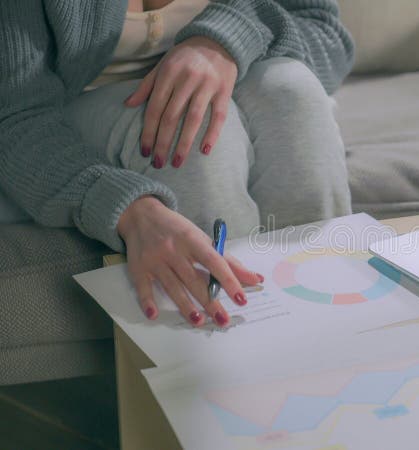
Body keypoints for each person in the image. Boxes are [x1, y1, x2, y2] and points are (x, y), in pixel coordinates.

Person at [0, 0, 354, 328]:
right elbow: (13, 117)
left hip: (234, 79)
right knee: (192, 128)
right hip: (61, 121)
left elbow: (323, 32)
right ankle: (219, 366)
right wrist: (128, 209)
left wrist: (226, 39)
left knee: (292, 92)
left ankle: (333, 329)